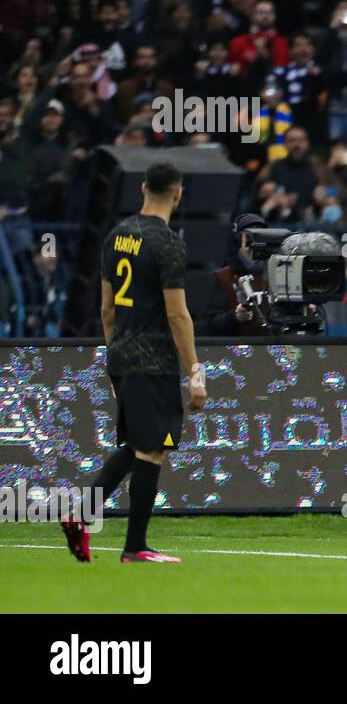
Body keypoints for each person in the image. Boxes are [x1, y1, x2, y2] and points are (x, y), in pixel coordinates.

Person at [61, 162, 207, 564]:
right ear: (178, 194)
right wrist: (196, 372)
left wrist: (115, 359)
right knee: (153, 447)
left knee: (140, 443)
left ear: (143, 188)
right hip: (153, 358)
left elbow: (106, 309)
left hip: (124, 353)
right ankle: (133, 547)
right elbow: (178, 315)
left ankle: (84, 516)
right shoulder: (168, 244)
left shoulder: (116, 236)